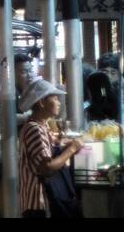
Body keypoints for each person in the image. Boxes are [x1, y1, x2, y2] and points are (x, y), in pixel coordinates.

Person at [19, 78, 85, 218]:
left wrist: (61, 146)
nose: (59, 102)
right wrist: (72, 149)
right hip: (38, 204)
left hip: (46, 202)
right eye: (55, 98)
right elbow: (46, 167)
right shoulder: (34, 129)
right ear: (41, 102)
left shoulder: (43, 126)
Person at [96, 53, 124, 129]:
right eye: (104, 72)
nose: (108, 76)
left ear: (119, 76)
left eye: (113, 73)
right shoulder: (91, 105)